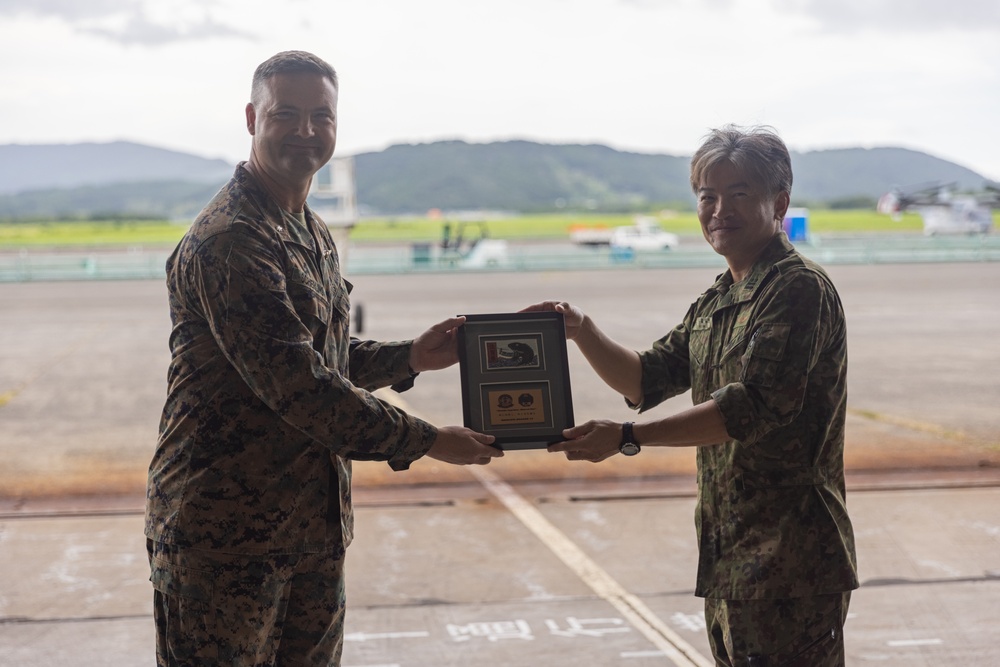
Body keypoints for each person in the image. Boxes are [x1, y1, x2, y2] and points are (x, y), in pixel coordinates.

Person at [144, 50, 503, 666]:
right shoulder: (233, 238)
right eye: (288, 114)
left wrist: (410, 356)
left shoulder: (306, 226)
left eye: (322, 117)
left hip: (309, 530)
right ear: (253, 117)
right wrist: (428, 440)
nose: (307, 131)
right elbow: (299, 386)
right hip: (226, 537)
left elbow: (322, 354)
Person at [526, 125, 858, 666]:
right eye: (707, 196)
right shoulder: (719, 299)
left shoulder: (797, 289)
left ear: (780, 203)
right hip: (730, 555)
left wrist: (628, 438)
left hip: (792, 562)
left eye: (739, 194)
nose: (718, 209)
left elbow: (749, 407)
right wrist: (580, 330)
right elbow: (645, 378)